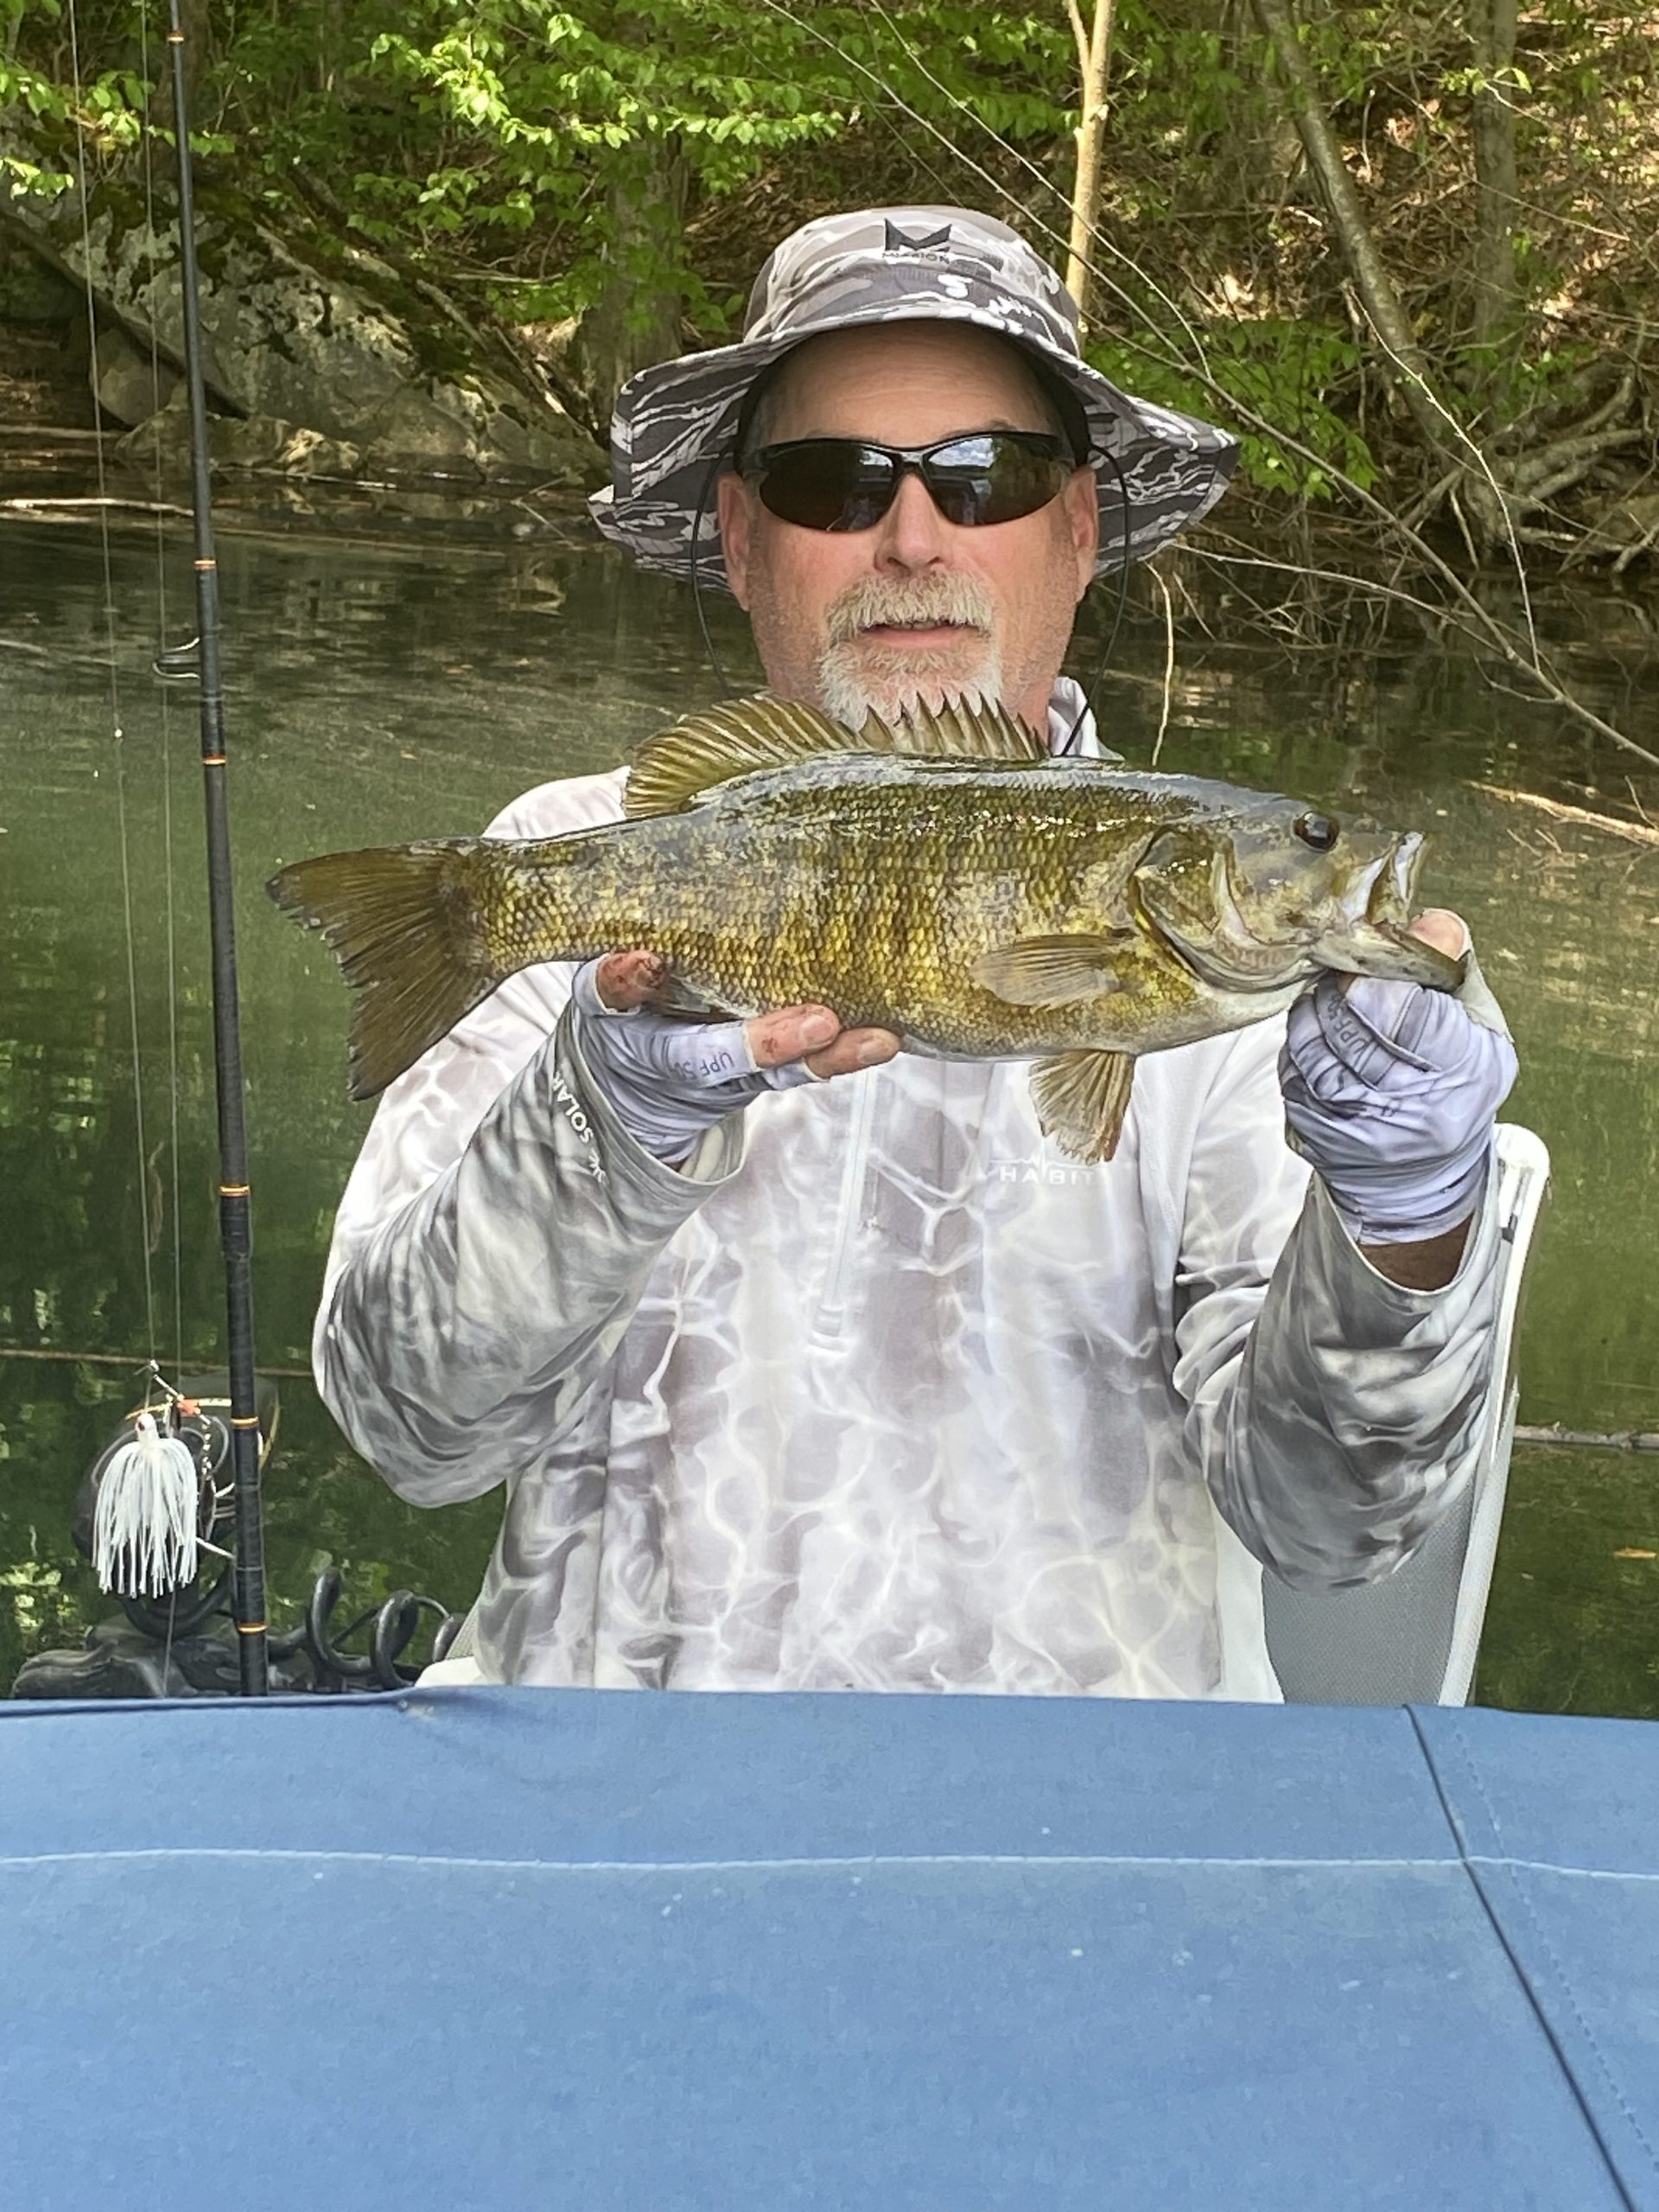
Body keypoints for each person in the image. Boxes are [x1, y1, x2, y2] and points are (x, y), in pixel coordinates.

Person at [314, 207, 1516, 1698]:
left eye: (985, 476)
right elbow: (405, 1428)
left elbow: (1336, 1529)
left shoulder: (1281, 1011)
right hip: (618, 1815)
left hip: (1065, 1850)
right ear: (743, 537)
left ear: (1078, 529)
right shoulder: (573, 859)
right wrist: (598, 1130)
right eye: (833, 481)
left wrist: (1405, 1219)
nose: (913, 536)